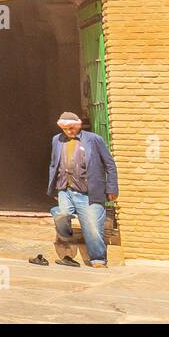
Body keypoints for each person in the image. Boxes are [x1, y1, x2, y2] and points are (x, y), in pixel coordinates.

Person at [47, 111, 118, 267]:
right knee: (62, 213)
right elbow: (54, 164)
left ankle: (98, 259)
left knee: (92, 227)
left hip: (89, 193)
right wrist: (54, 187)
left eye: (72, 128)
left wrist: (112, 188)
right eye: (65, 129)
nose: (69, 131)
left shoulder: (93, 140)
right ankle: (64, 231)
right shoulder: (56, 140)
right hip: (65, 189)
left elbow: (109, 164)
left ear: (78, 126)